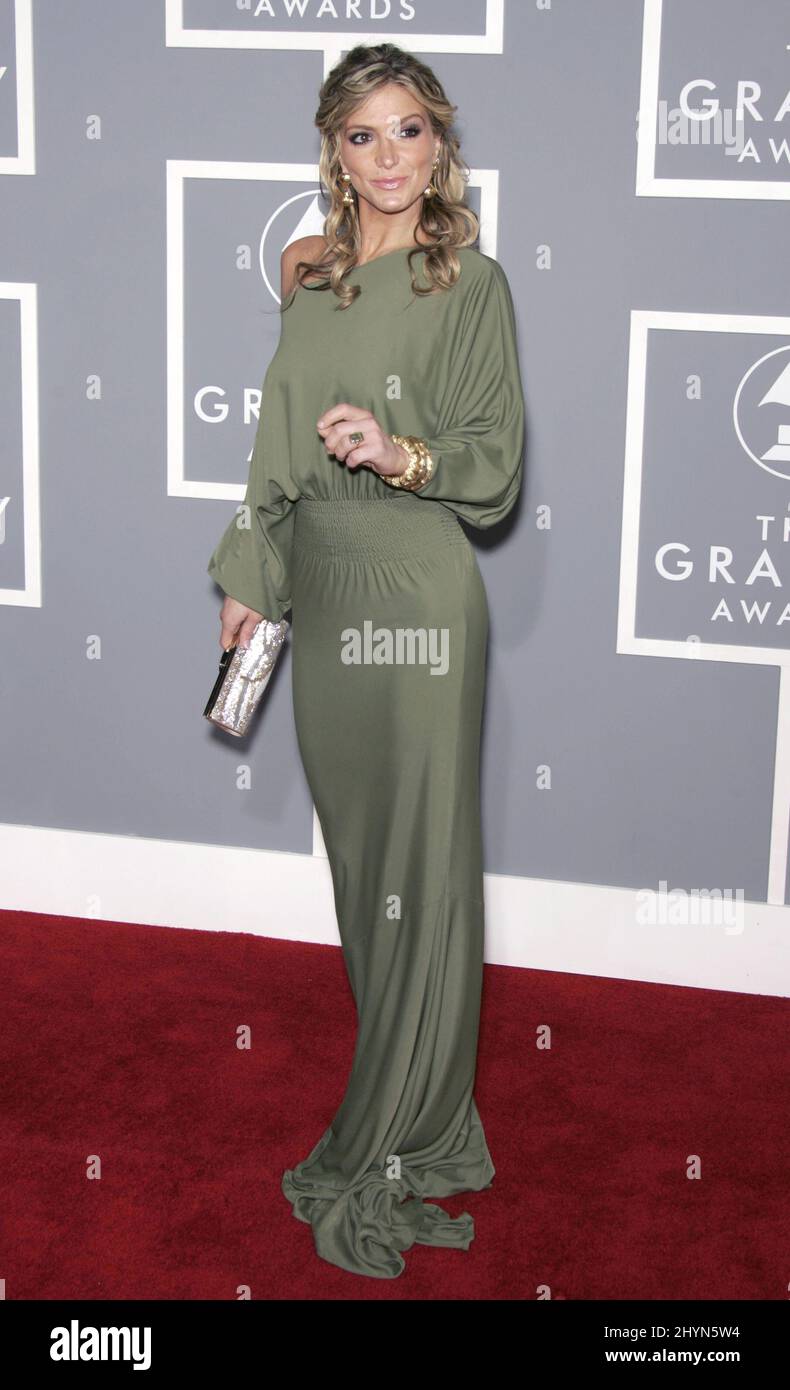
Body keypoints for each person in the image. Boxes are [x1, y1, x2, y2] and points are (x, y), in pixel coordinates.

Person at [206, 42, 526, 1280]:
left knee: (421, 871)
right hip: (327, 597)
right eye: (362, 136)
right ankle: (426, 1108)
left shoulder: (474, 283)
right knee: (364, 875)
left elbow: (491, 468)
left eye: (409, 132)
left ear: (439, 143)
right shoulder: (308, 277)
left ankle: (391, 1134)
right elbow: (274, 451)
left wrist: (399, 453)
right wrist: (250, 582)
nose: (389, 158)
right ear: (333, 153)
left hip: (420, 596)